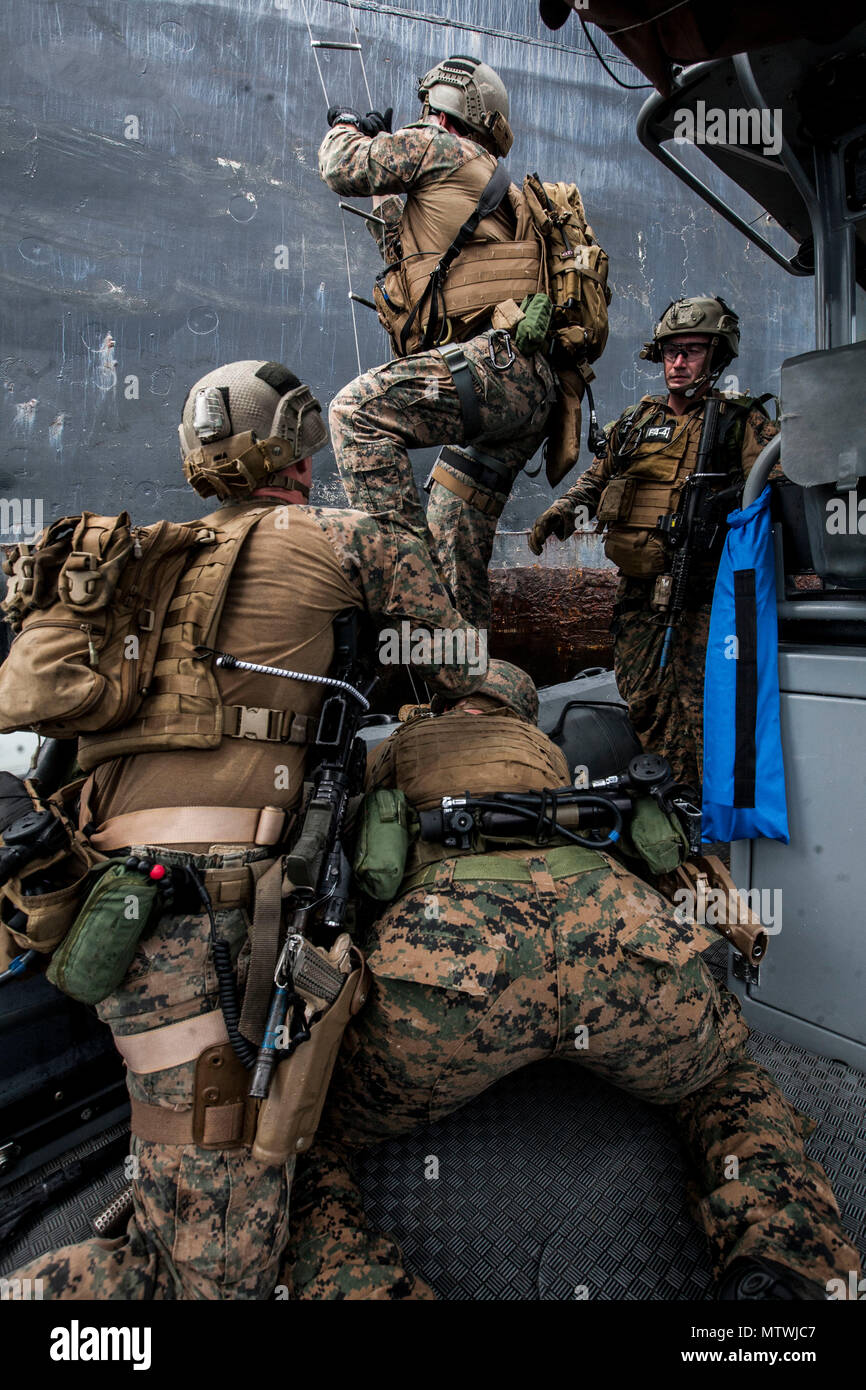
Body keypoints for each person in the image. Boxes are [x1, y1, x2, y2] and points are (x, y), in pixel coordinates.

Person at [7, 359, 485, 1300]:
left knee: (211, 1163)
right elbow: (459, 664)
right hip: (200, 931)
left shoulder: (148, 554)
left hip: (95, 891)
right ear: (300, 449)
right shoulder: (351, 538)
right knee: (216, 1278)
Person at [285, 659, 861, 1301]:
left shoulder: (395, 749)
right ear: (521, 711)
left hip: (451, 968)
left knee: (307, 1130)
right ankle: (788, 1253)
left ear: (451, 705)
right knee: (721, 1079)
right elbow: (655, 854)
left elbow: (366, 873)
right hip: (616, 938)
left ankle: (360, 1285)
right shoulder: (547, 755)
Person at [318, 55, 562, 629]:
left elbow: (342, 167)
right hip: (523, 392)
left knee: (357, 413)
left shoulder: (439, 145)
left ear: (442, 110)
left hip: (494, 370)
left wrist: (347, 128)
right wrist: (388, 200)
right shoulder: (484, 181)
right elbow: (414, 263)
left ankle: (404, 588)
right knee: (455, 539)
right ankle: (467, 690)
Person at [529, 296, 778, 789]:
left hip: (705, 594)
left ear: (718, 356)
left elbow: (777, 486)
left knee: (701, 703)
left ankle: (700, 807)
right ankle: (667, 792)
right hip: (639, 593)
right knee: (643, 694)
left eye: (692, 351)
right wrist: (561, 512)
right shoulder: (637, 421)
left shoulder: (739, 421)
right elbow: (598, 480)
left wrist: (727, 513)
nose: (679, 363)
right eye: (671, 352)